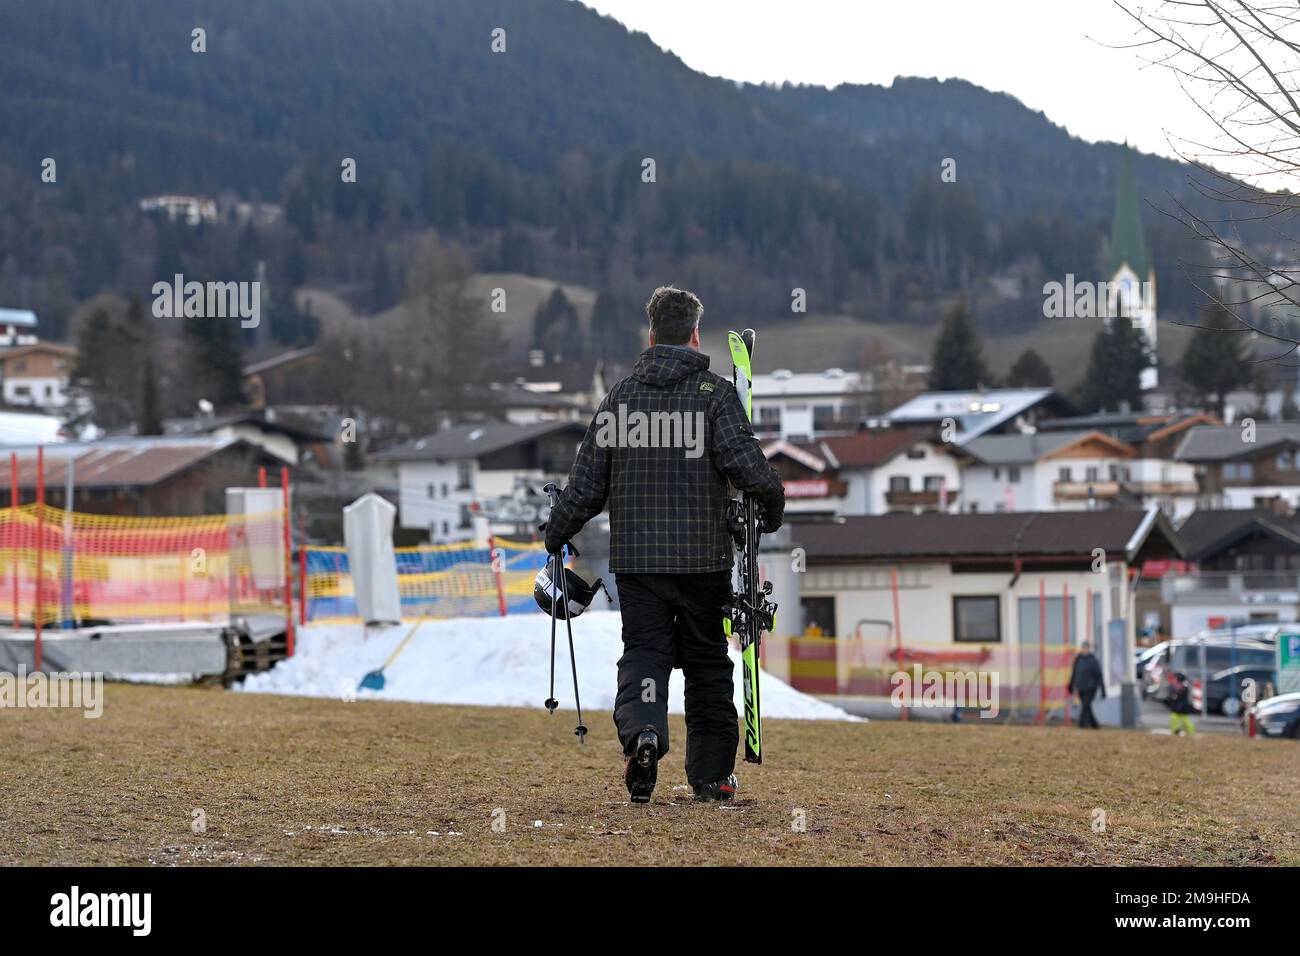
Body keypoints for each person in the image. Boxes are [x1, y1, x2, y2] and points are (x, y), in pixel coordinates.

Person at [544, 286, 785, 805]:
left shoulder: (619, 399)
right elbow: (748, 467)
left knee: (645, 655)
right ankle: (711, 776)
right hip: (704, 560)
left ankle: (645, 736)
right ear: (695, 334)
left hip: (637, 562)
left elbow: (585, 486)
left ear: (650, 334)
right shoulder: (716, 396)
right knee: (706, 664)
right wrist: (772, 504)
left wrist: (556, 533)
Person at [1067, 640, 1105, 728]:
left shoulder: (1093, 660)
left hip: (1091, 687)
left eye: (1086, 648)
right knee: (1086, 706)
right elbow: (1074, 673)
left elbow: (1099, 675)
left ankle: (1081, 724)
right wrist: (1071, 685)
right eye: (1083, 648)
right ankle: (1095, 725)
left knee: (1085, 705)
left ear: (1088, 649)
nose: (1084, 649)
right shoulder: (1078, 659)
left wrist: (1103, 690)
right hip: (1081, 687)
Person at [1167, 670, 1196, 736]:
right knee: (1174, 719)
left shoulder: (1184, 687)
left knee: (1185, 720)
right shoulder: (1175, 687)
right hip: (1176, 708)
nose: (1174, 680)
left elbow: (1179, 697)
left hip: (1183, 708)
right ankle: (1175, 731)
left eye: (1175, 678)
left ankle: (1190, 733)